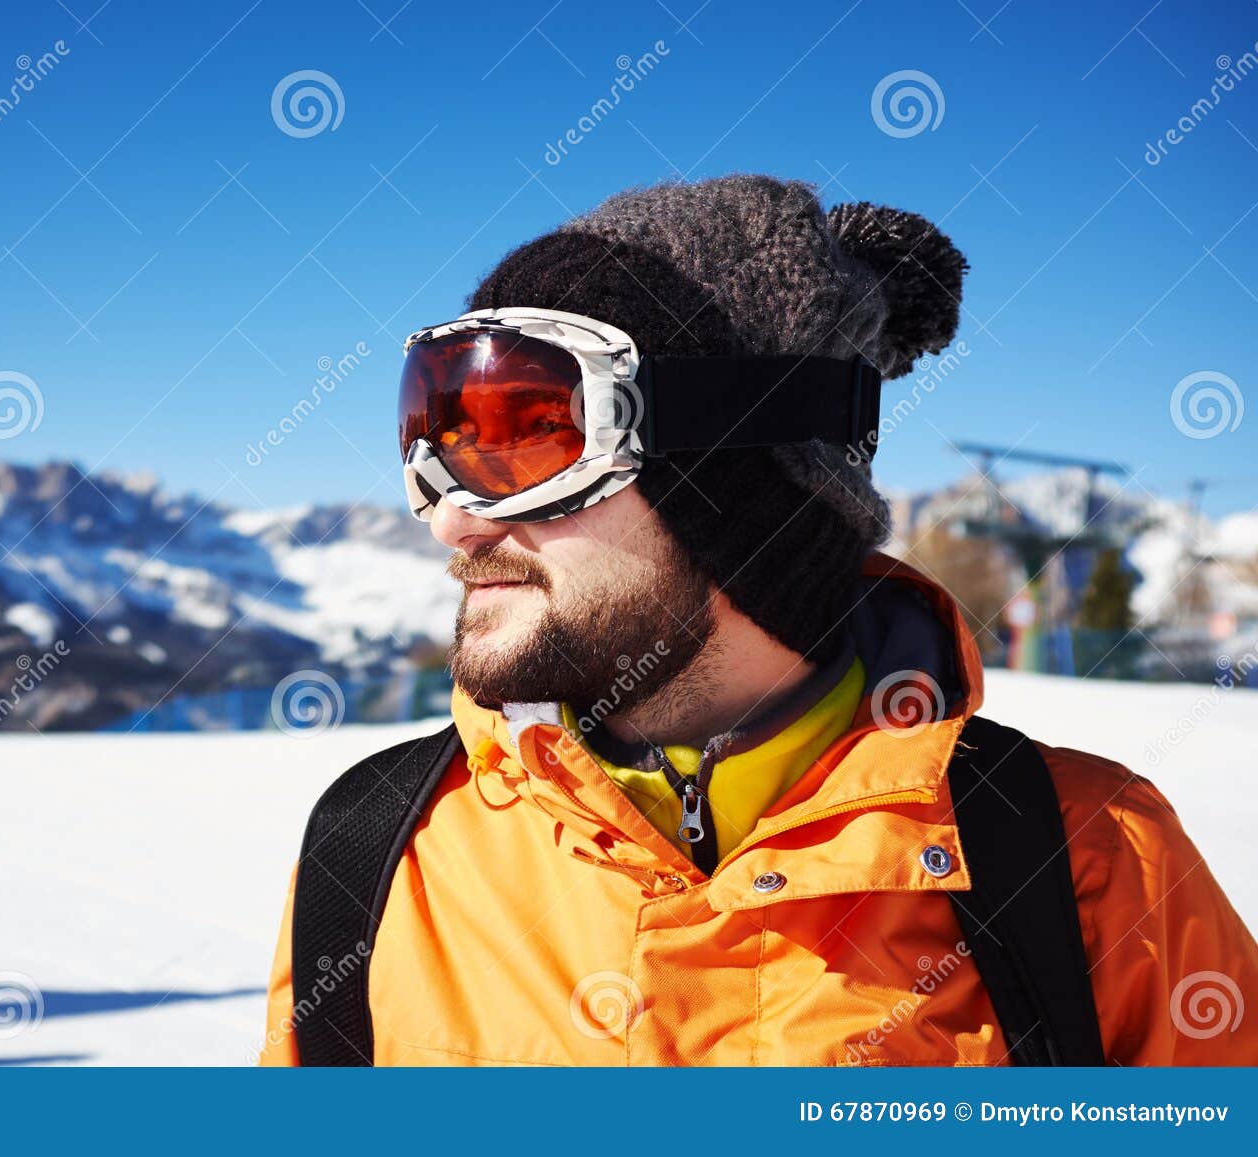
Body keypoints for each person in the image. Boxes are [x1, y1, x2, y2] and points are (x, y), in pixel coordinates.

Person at [258, 174, 1258, 1066]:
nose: (453, 517)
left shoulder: (1084, 860)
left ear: (735, 493)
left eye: (532, 433)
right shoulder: (378, 851)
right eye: (440, 432)